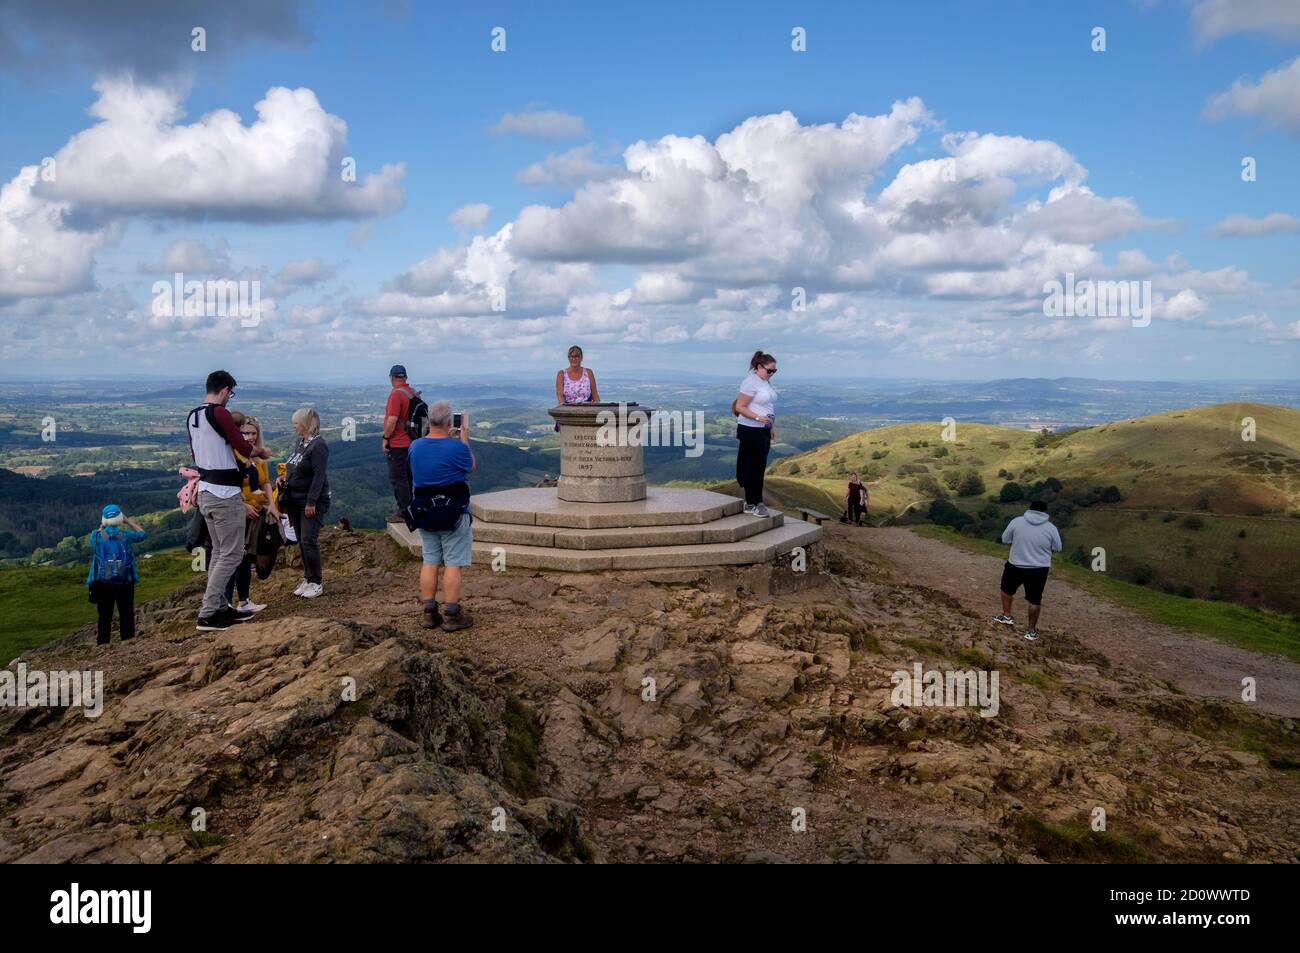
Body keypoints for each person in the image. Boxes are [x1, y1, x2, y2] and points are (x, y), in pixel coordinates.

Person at [188, 370, 270, 632]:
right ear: (224, 390)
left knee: (219, 553)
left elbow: (197, 452)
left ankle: (220, 607)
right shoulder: (219, 413)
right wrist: (261, 452)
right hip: (225, 494)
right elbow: (243, 447)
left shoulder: (193, 416)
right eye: (230, 393)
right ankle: (209, 612)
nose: (229, 398)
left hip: (206, 491)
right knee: (233, 554)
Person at [407, 401, 476, 631]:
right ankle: (452, 614)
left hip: (425, 512)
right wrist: (463, 436)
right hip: (454, 513)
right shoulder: (456, 448)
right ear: (449, 422)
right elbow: (470, 466)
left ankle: (429, 612)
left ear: (428, 421)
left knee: (430, 560)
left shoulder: (415, 446)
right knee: (453, 563)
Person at [223, 414, 279, 613]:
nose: (250, 437)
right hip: (237, 511)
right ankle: (226, 604)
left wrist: (272, 504)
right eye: (245, 432)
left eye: (253, 433)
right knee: (231, 557)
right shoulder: (232, 454)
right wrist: (242, 506)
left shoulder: (258, 457)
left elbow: (265, 482)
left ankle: (244, 601)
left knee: (245, 558)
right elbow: (228, 485)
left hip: (256, 514)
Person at [279, 407, 330, 599]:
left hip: (312, 501)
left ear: (306, 424)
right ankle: (308, 578)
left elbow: (319, 476)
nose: (294, 427)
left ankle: (316, 582)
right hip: (295, 499)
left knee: (309, 540)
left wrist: (311, 502)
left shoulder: (319, 446)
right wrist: (284, 477)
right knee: (302, 540)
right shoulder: (300, 442)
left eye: (296, 423)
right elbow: (294, 466)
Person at [993, 500, 1063, 642]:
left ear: (1029, 509)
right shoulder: (1051, 528)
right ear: (1045, 512)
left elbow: (1005, 539)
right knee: (1034, 600)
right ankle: (1031, 631)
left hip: (1015, 564)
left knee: (1006, 590)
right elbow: (1058, 548)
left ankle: (1006, 616)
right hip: (1039, 568)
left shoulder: (1016, 521)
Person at [86, 504, 145, 645]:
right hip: (124, 580)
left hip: (102, 581)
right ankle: (128, 642)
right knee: (126, 614)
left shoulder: (96, 537)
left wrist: (102, 526)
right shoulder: (125, 536)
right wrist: (128, 521)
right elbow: (143, 534)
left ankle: (103, 644)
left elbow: (96, 539)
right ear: (120, 518)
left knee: (104, 616)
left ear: (104, 520)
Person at [733, 350, 777, 518]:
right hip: (750, 429)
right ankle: (754, 503)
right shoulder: (750, 382)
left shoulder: (765, 382)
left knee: (758, 466)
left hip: (762, 429)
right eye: (769, 370)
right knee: (754, 467)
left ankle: (754, 503)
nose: (772, 373)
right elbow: (740, 407)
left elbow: (768, 407)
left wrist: (770, 426)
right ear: (759, 367)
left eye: (774, 371)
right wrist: (759, 418)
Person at [382, 365, 423, 520]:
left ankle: (405, 512)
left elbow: (392, 420)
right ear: (405, 377)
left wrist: (386, 438)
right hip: (413, 442)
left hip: (398, 443)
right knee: (410, 477)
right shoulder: (412, 393)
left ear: (391, 378)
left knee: (398, 478)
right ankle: (413, 508)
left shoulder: (396, 395)